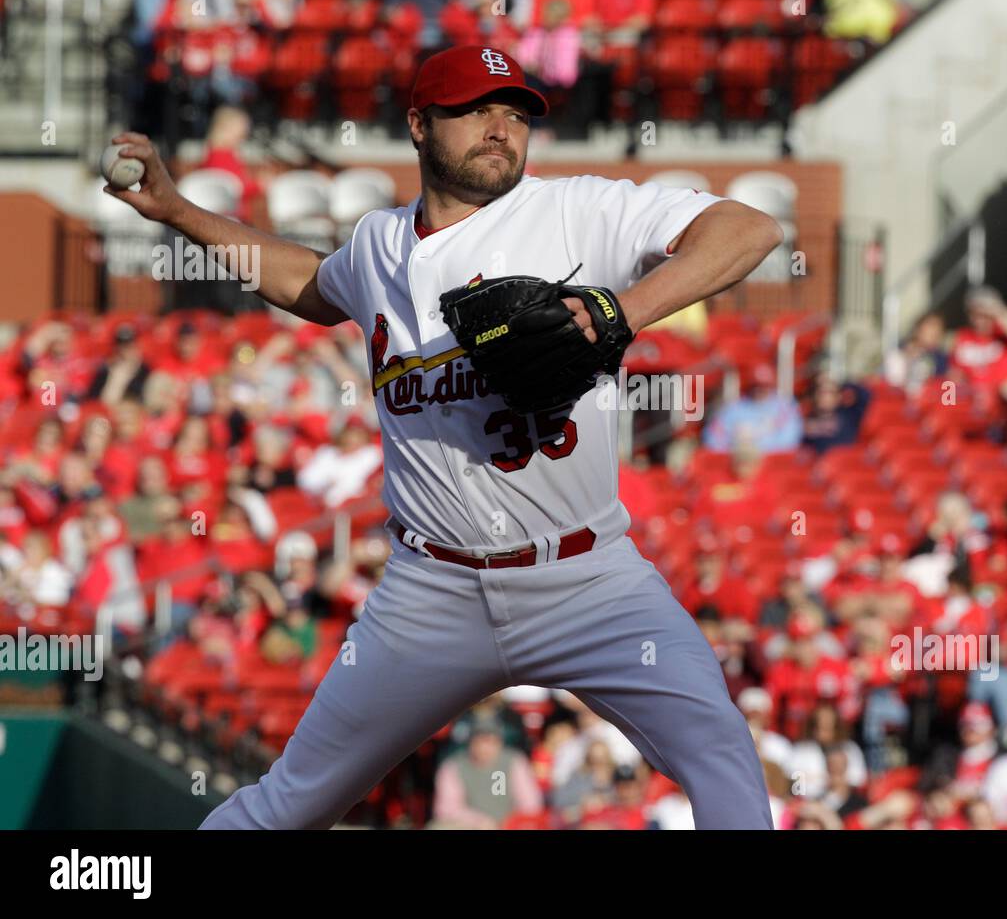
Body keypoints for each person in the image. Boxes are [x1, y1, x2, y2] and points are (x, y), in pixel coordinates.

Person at [109, 42, 782, 830]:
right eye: (474, 109)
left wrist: (619, 312)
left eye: (514, 111)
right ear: (420, 126)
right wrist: (178, 210)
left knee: (723, 758)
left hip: (589, 578)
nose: (500, 127)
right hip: (431, 592)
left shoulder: (578, 210)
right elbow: (308, 285)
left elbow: (751, 228)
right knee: (288, 806)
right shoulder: (377, 245)